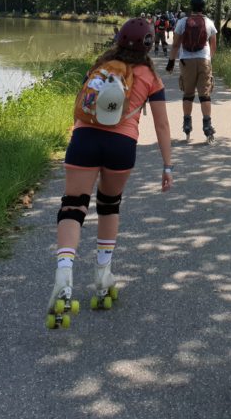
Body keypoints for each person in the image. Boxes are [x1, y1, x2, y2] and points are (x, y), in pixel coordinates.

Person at [46, 17, 174, 326]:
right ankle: (103, 278)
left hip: (85, 139)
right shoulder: (150, 77)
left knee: (73, 206)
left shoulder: (99, 67)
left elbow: (81, 103)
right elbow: (161, 124)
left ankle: (64, 274)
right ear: (148, 44)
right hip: (121, 145)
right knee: (108, 205)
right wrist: (167, 165)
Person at [166, 0, 219, 142]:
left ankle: (187, 124)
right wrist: (209, 60)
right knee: (205, 94)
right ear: (203, 7)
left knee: (188, 94)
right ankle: (207, 126)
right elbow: (213, 45)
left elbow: (176, 44)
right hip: (204, 60)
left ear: (191, 7)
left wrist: (171, 62)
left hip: (186, 61)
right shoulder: (209, 22)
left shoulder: (182, 22)